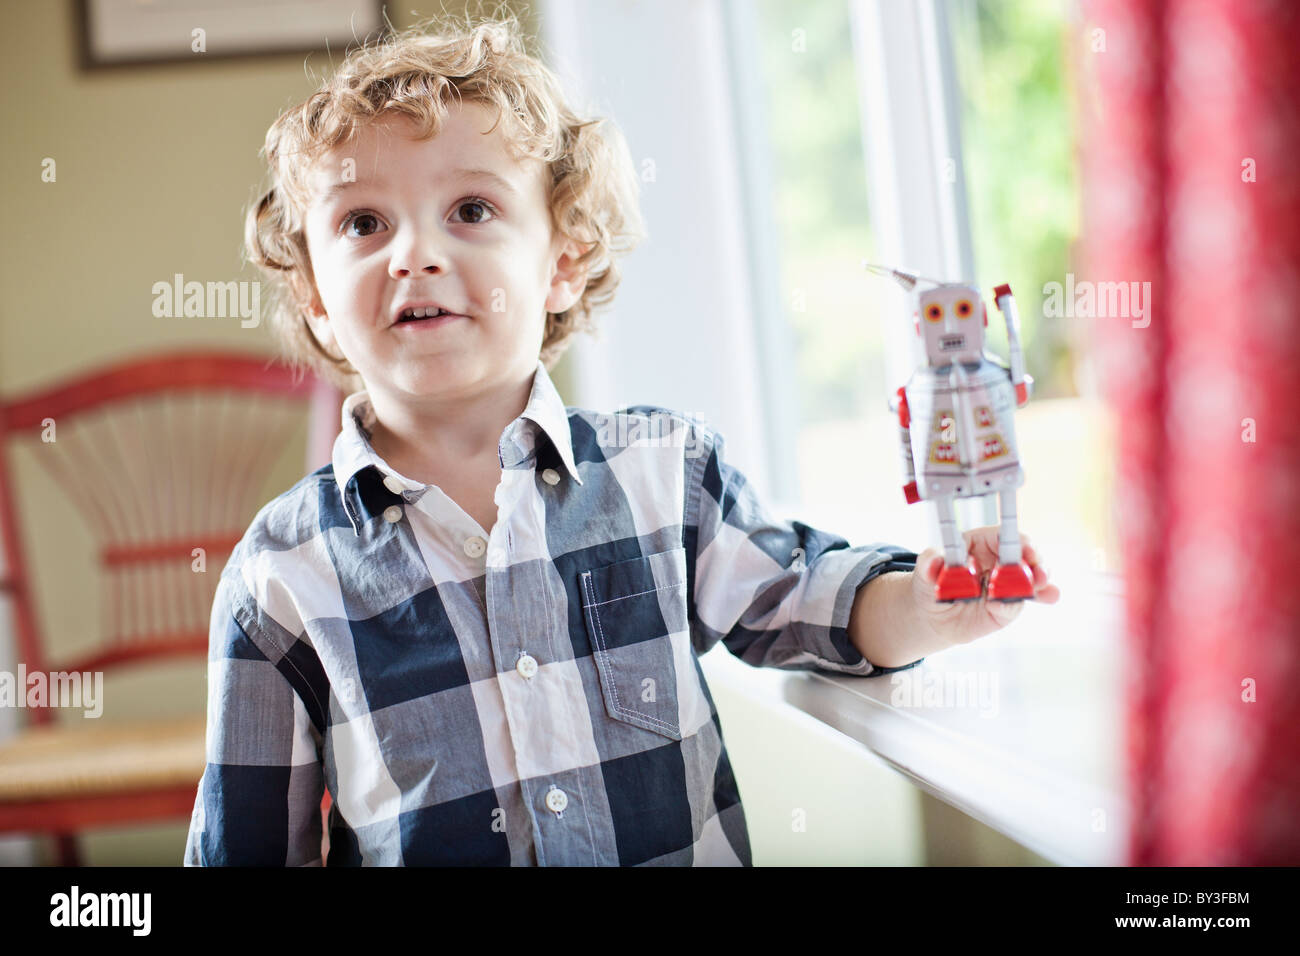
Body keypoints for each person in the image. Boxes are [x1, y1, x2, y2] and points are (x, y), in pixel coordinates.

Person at [183, 13, 1058, 867]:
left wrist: (930, 604)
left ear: (563, 260)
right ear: (313, 294)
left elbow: (803, 600)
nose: (414, 255)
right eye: (363, 224)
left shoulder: (664, 473)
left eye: (472, 209)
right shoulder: (279, 577)